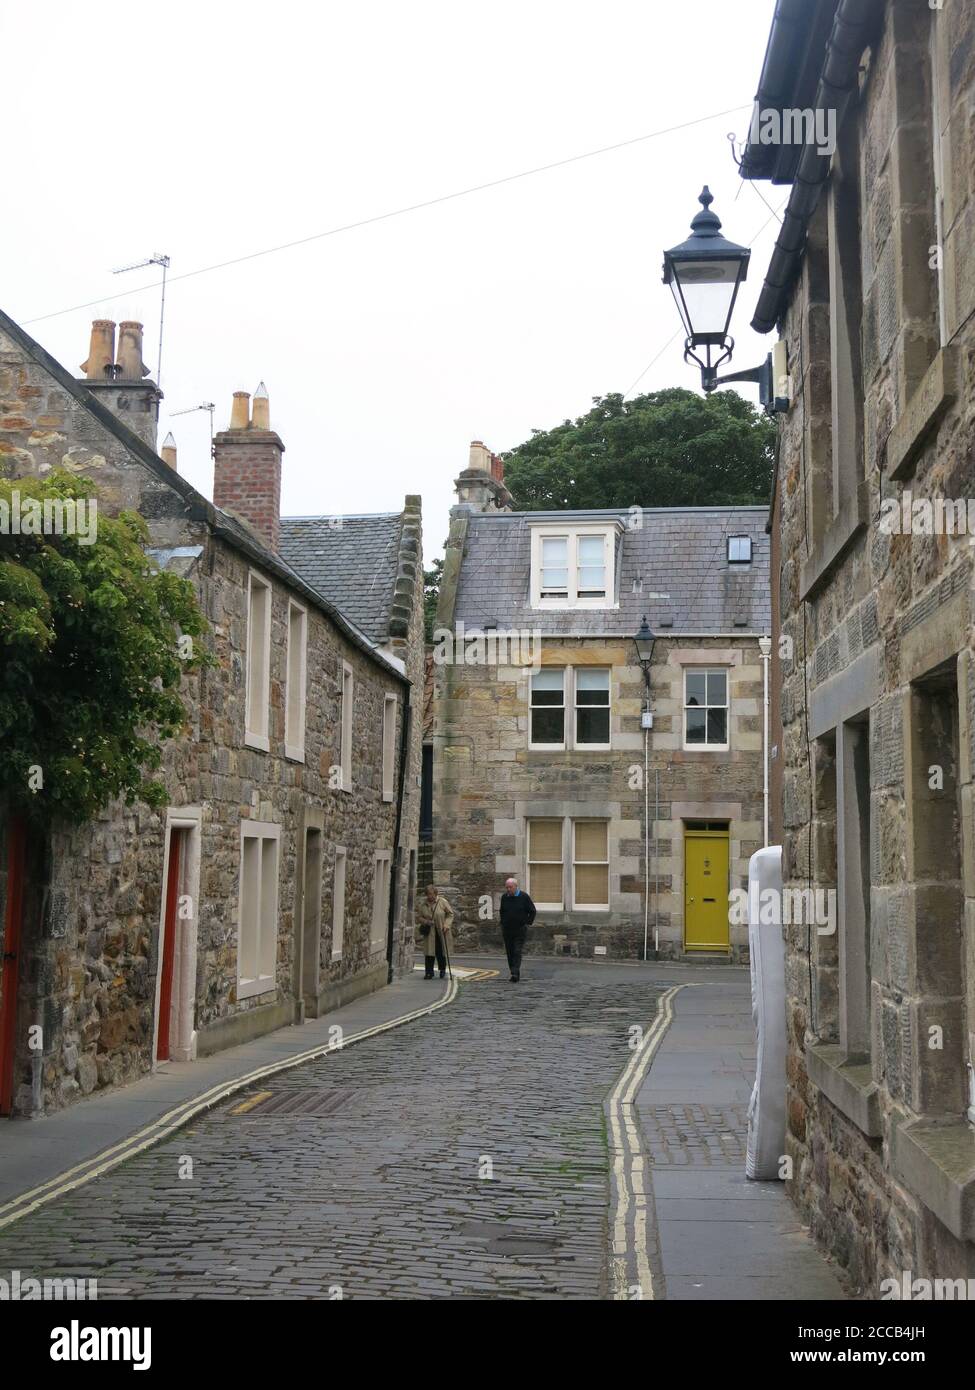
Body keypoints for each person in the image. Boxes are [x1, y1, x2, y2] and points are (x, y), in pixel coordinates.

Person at [499, 876, 535, 982]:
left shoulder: (524, 897)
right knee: (510, 952)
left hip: (520, 929)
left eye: (510, 887)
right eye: (507, 887)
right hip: (507, 929)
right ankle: (514, 973)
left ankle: (515, 972)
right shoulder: (504, 897)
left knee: (517, 950)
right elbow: (502, 911)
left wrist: (527, 922)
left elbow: (532, 911)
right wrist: (503, 922)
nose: (508, 890)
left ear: (515, 887)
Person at [415, 884, 454, 979]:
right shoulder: (423, 904)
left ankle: (442, 970)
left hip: (441, 931)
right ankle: (429, 972)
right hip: (430, 933)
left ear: (436, 894)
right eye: (428, 894)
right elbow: (419, 917)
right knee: (429, 953)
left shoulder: (442, 902)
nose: (430, 896)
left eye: (431, 894)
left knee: (441, 952)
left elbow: (450, 914)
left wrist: (446, 925)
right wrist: (426, 921)